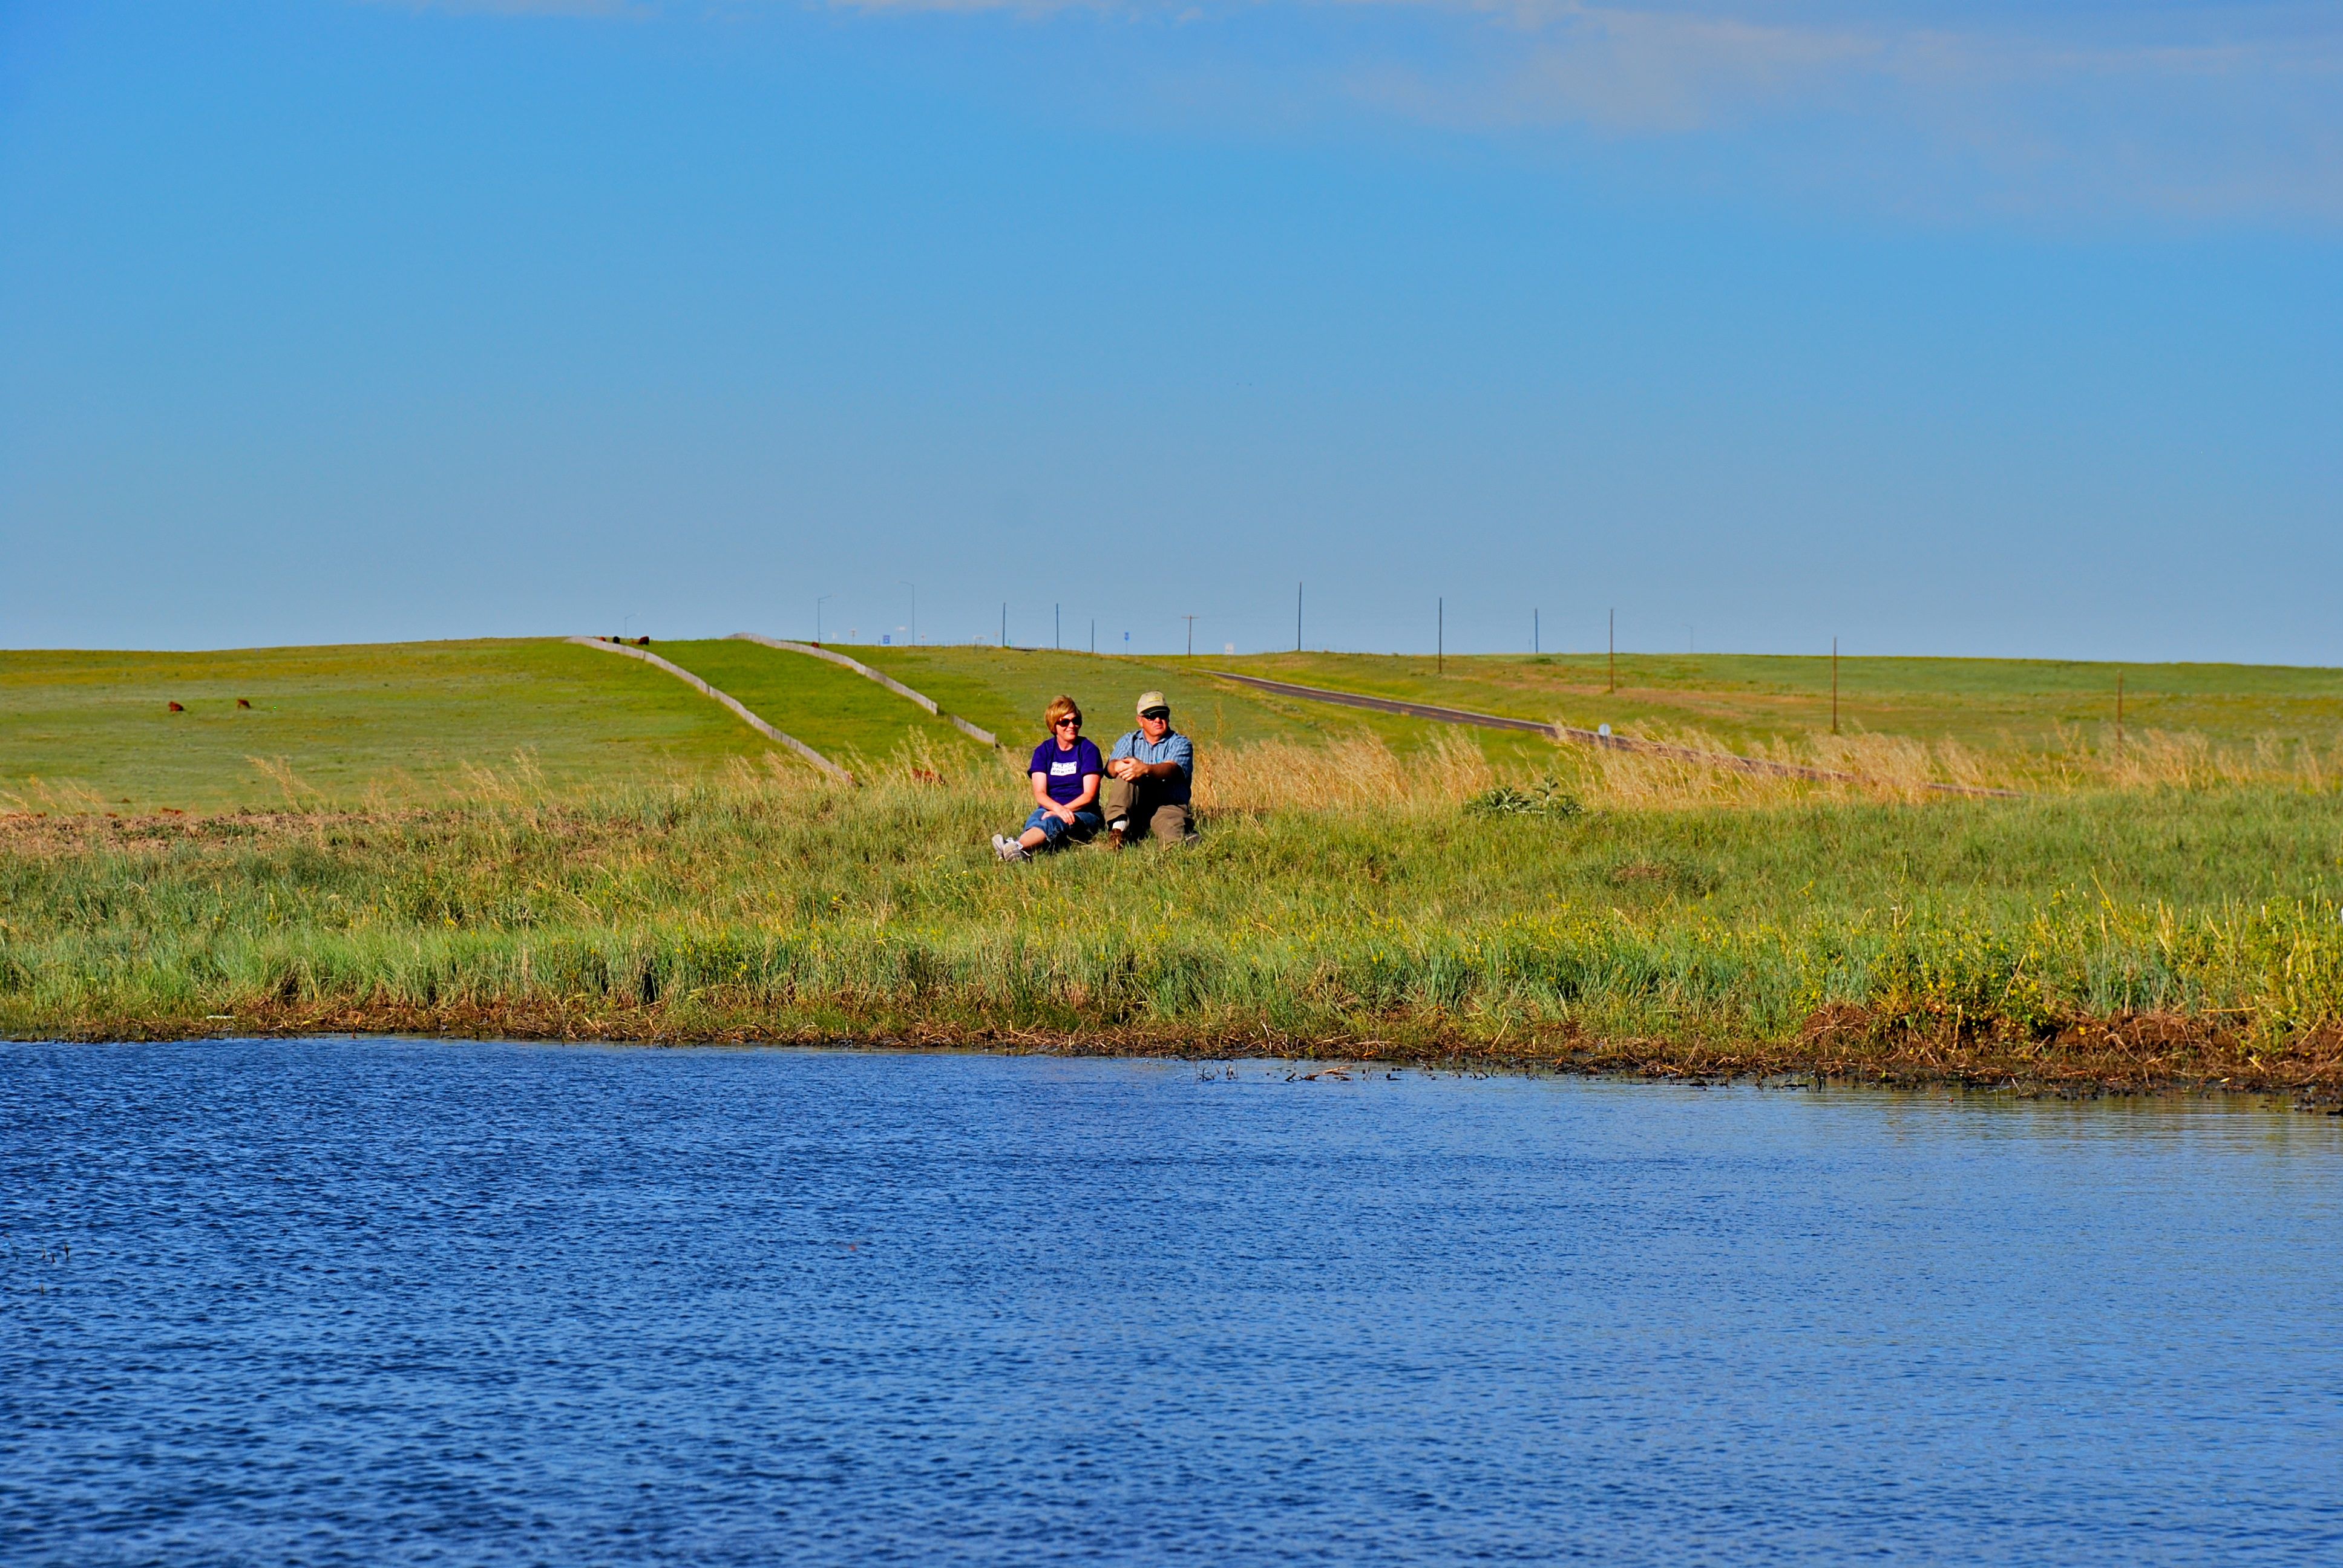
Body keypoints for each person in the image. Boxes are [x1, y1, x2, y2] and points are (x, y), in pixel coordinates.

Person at [994, 696, 1103, 862]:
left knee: (1053, 821)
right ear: (1054, 726)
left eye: (1076, 721)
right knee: (1036, 819)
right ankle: (1020, 853)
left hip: (1084, 813)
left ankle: (1015, 847)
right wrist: (1056, 809)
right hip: (1050, 808)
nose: (1072, 726)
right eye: (1065, 722)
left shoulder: (1088, 751)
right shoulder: (1043, 752)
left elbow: (1089, 795)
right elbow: (1040, 793)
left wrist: (1061, 811)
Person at [1103, 690, 1194, 849]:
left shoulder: (1180, 743)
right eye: (1151, 716)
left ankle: (1185, 843)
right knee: (1127, 773)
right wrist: (1117, 765)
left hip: (1167, 805)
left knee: (1172, 840)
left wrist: (1145, 769)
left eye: (1162, 715)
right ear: (1140, 720)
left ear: (1168, 717)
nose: (1157, 720)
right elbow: (1109, 770)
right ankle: (1118, 831)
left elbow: (1173, 769)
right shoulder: (1129, 740)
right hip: (1135, 805)